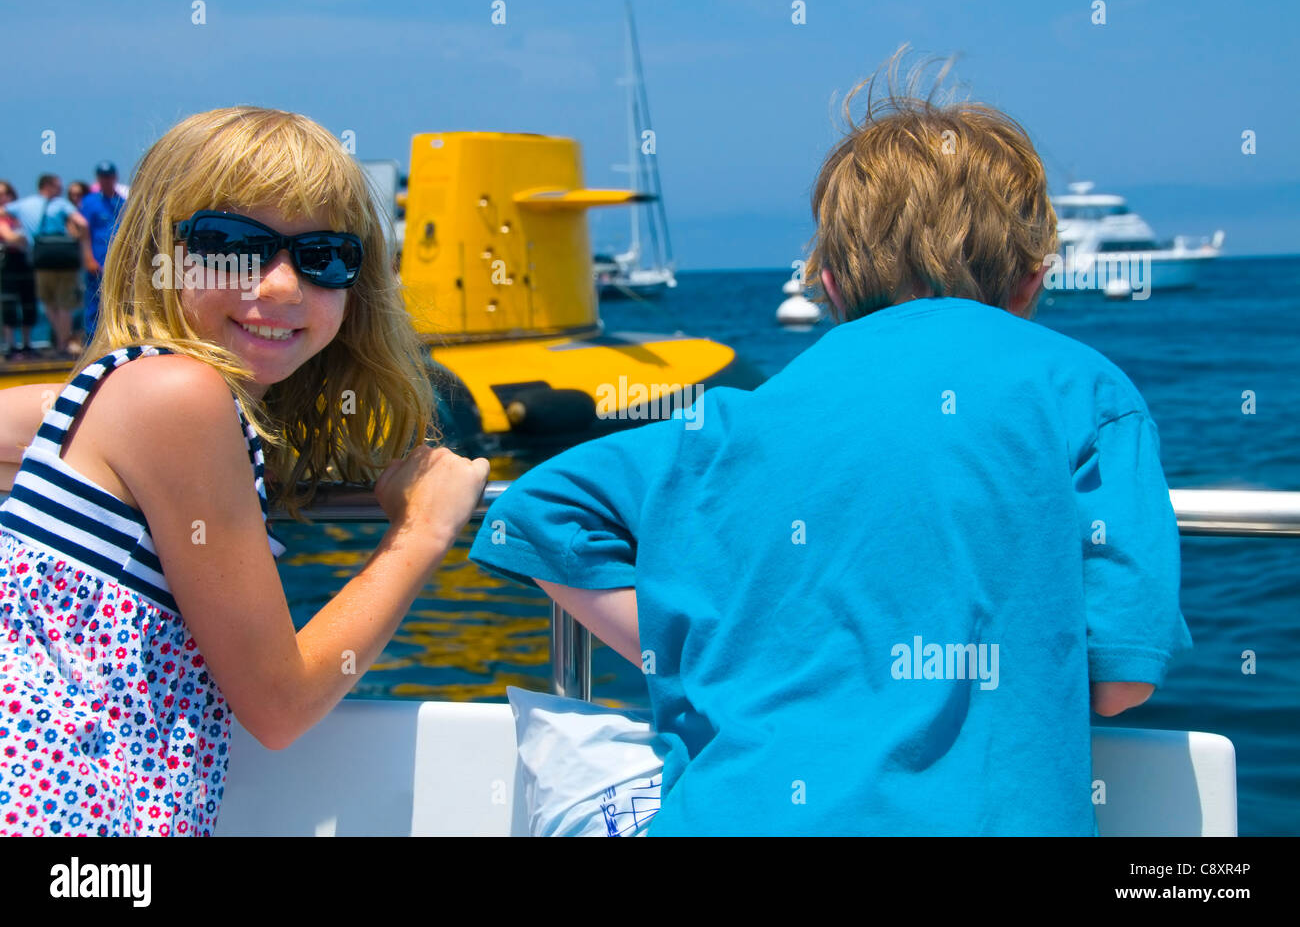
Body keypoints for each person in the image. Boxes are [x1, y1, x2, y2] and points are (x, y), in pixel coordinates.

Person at [467, 51, 1194, 836]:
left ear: (832, 286)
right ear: (1030, 280)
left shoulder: (728, 423)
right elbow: (1122, 679)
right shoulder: (1084, 393)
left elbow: (534, 513)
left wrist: (704, 643)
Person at [0, 106, 489, 836]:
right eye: (232, 247)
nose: (286, 286)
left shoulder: (116, 397)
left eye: (324, 255)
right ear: (154, 256)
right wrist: (422, 528)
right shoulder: (180, 397)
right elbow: (279, 705)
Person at [3, 174, 93, 357]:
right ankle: (63, 343)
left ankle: (60, 340)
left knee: (48, 303)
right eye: (58, 186)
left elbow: (3, 211)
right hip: (65, 260)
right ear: (48, 186)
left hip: (41, 260)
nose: (61, 190)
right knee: (65, 304)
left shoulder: (25, 205)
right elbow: (82, 223)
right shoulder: (61, 204)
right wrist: (79, 239)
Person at [78, 162, 126, 343]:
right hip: (96, 260)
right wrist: (88, 257)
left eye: (109, 176)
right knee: (94, 302)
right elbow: (83, 233)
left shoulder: (122, 202)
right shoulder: (90, 203)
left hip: (117, 262)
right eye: (103, 177)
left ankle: (114, 340)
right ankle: (91, 342)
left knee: (118, 302)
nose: (107, 180)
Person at [0, 181, 38, 361]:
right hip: (6, 264)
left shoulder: (19, 215)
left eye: (5, 194)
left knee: (28, 303)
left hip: (26, 263)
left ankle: (27, 343)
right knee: (8, 304)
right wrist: (22, 237)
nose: (2, 198)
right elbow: (10, 236)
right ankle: (10, 345)